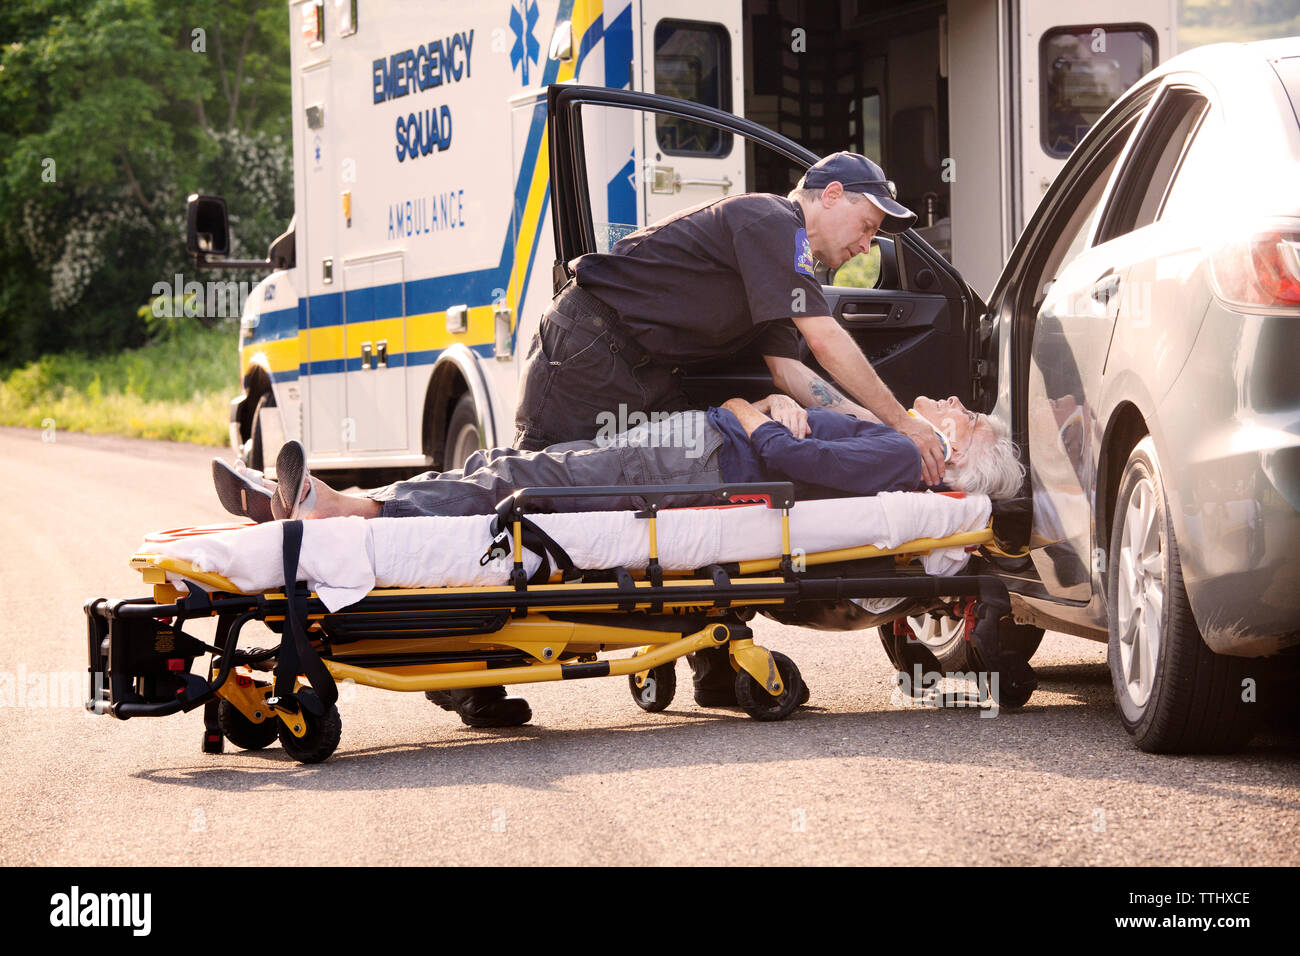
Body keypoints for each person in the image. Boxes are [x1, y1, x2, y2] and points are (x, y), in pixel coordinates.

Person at [214, 394, 1023, 726]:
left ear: (951, 455)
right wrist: (778, 413)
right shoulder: (891, 438)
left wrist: (759, 409)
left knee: (521, 483)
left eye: (966, 416)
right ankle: (324, 503)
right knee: (513, 468)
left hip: (706, 465)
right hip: (701, 447)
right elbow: (795, 436)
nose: (951, 402)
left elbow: (792, 459)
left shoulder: (896, 458)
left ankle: (342, 509)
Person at [513, 150, 951, 487]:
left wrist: (875, 430)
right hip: (593, 345)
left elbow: (791, 372)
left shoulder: (789, 256)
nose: (867, 246)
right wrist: (902, 422)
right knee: (537, 478)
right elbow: (824, 340)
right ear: (833, 195)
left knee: (616, 487)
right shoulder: (774, 221)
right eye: (868, 226)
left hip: (642, 366)